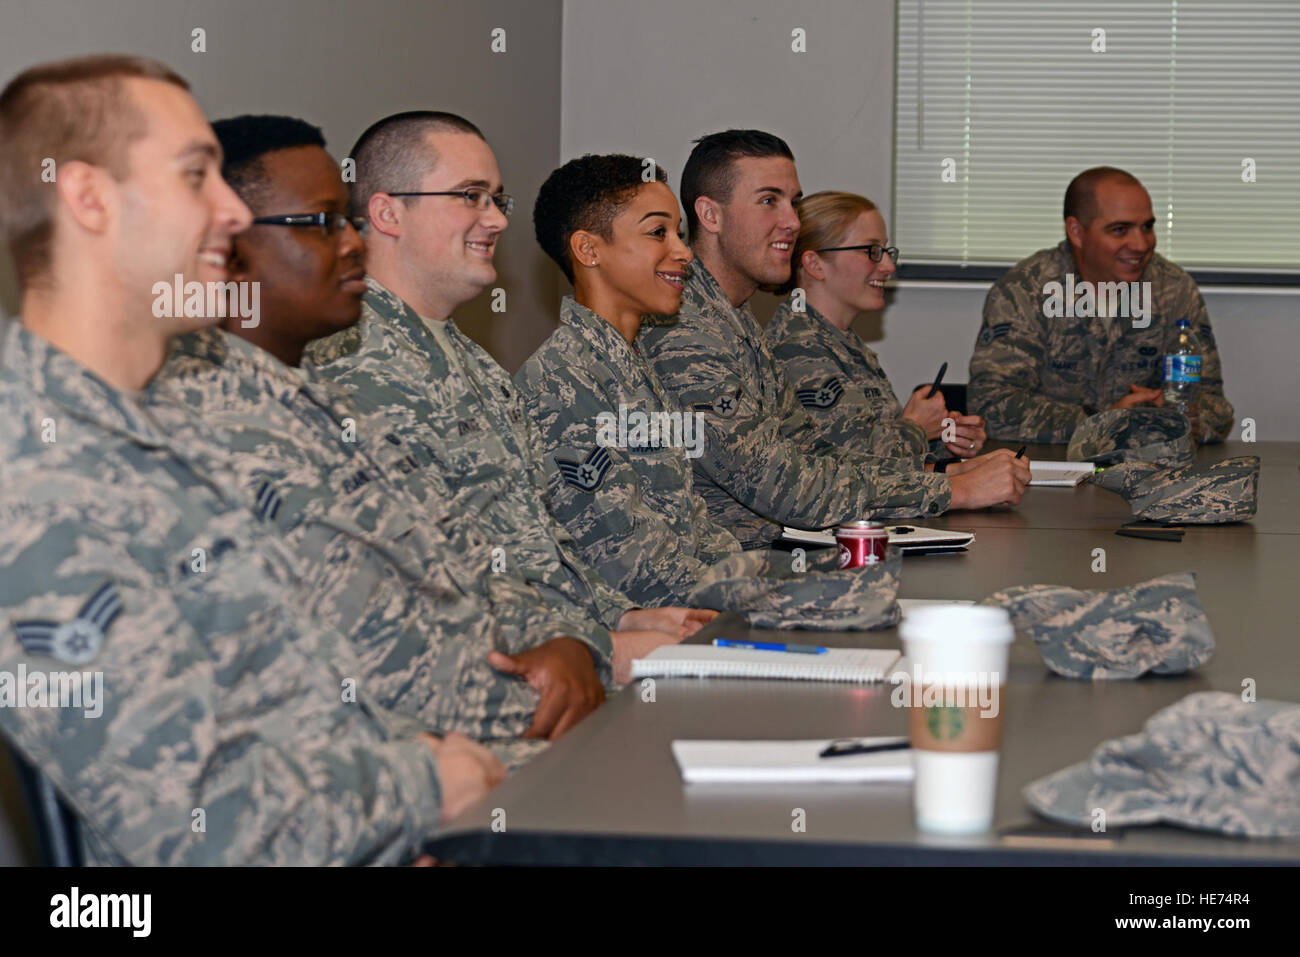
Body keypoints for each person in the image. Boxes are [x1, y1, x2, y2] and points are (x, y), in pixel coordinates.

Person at [0, 55, 500, 865]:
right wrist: (423, 786)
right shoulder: (34, 477)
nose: (233, 212)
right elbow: (199, 829)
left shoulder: (161, 432)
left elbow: (300, 711)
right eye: (197, 175)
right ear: (88, 198)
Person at [148, 114, 621, 755]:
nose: (352, 243)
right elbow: (376, 659)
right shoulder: (218, 429)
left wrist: (569, 643)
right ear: (226, 245)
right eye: (323, 223)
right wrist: (557, 692)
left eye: (347, 221)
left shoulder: (324, 408)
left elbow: (474, 562)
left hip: (460, 748)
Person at [303, 111, 716, 650]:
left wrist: (617, 617)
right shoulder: (351, 362)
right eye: (470, 196)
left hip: (551, 649)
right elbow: (417, 582)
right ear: (388, 213)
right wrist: (600, 649)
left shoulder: (478, 367)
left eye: (498, 200)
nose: (496, 219)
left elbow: (536, 539)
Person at [638, 129, 1029, 548]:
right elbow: (781, 486)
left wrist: (941, 475)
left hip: (771, 553)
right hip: (728, 572)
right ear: (710, 216)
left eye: (794, 202)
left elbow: (814, 453)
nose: (791, 221)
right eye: (769, 201)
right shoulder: (683, 329)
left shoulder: (736, 320)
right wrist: (955, 491)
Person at [516, 154, 743, 606]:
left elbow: (691, 520)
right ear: (589, 249)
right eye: (658, 232)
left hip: (690, 614)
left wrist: (749, 581)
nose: (683, 251)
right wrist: (748, 601)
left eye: (678, 232)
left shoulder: (635, 366)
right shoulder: (564, 381)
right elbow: (625, 559)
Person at [969, 166, 1234, 443]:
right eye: (1119, 230)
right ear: (1076, 232)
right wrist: (1102, 423)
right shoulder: (1026, 291)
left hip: (1147, 469)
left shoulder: (1174, 290)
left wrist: (1176, 415)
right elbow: (991, 405)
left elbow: (1215, 407)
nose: (1141, 244)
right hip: (1046, 471)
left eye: (1147, 226)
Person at [766, 190, 989, 467]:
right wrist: (918, 427)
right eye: (872, 251)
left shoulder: (840, 341)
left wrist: (944, 439)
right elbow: (848, 468)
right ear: (815, 264)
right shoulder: (797, 348)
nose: (888, 266)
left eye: (886, 251)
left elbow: (880, 442)